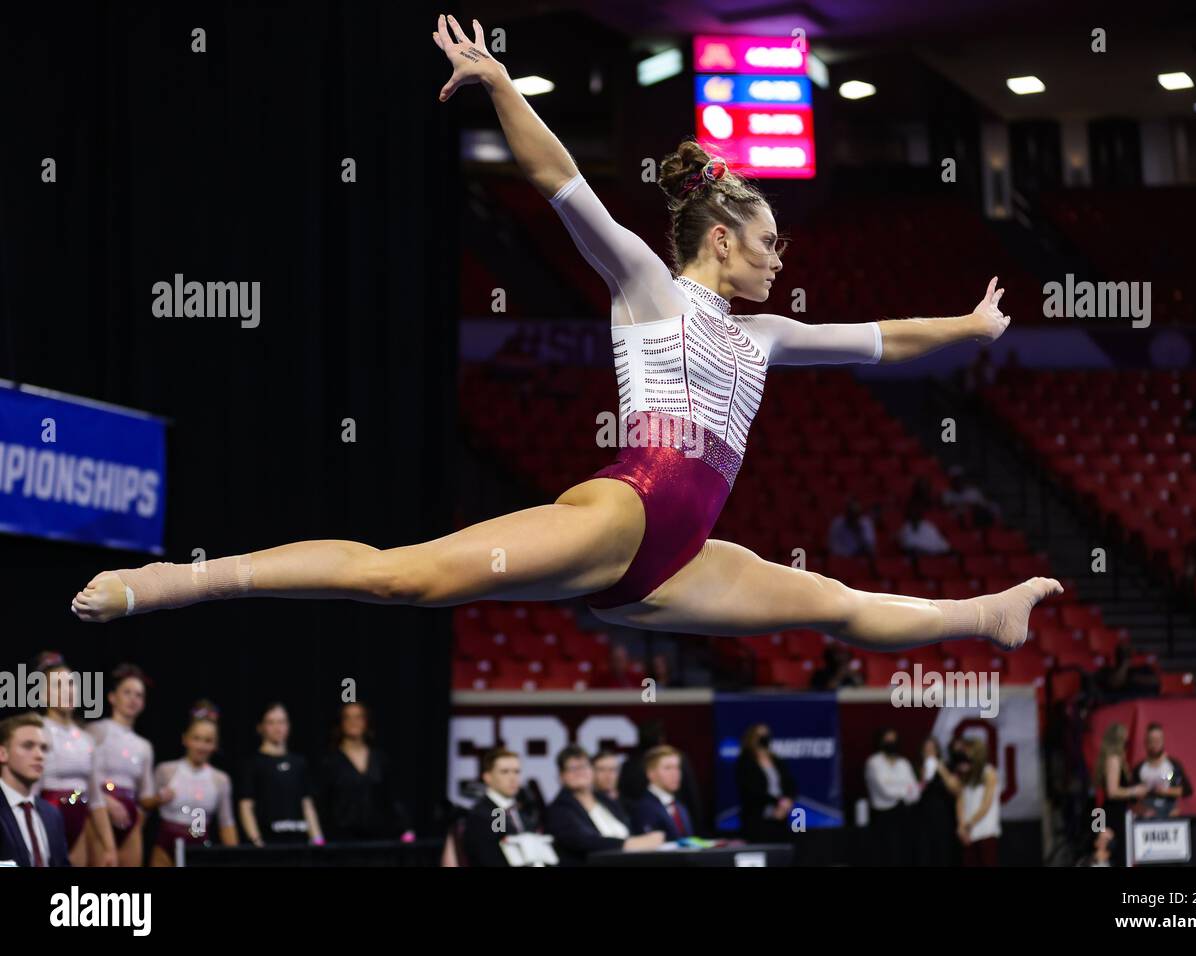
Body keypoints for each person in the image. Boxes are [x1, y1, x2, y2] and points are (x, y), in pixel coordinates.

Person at [71, 13, 1062, 673]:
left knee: (834, 604)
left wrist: (969, 326)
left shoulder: (765, 334)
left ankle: (988, 612)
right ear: (721, 238)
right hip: (627, 510)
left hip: (677, 556)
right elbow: (558, 183)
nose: (777, 259)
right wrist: (501, 84)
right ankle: (178, 580)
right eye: (767, 242)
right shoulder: (646, 287)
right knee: (401, 574)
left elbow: (883, 340)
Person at [35, 650, 107, 867]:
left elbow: (96, 798)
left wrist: (109, 846)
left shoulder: (86, 739)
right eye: (58, 685)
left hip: (78, 824)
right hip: (43, 821)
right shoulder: (36, 730)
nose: (67, 691)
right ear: (43, 694)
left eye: (71, 684)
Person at [150, 701, 239, 865]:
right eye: (196, 738)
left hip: (200, 849)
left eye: (208, 740)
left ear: (215, 745)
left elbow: (226, 823)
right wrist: (157, 799)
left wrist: (235, 859)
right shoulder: (166, 770)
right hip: (165, 845)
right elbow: (145, 806)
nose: (201, 746)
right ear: (185, 739)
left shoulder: (220, 779)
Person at [88, 664, 159, 867]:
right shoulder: (96, 731)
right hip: (99, 812)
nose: (133, 699)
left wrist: (140, 817)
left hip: (130, 820)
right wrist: (106, 802)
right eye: (127, 692)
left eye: (139, 695)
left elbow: (145, 795)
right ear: (112, 697)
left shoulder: (144, 746)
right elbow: (85, 778)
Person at [545, 746, 664, 865]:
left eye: (584, 766)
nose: (580, 772)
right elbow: (584, 841)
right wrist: (630, 844)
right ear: (561, 776)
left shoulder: (605, 800)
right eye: (572, 768)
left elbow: (628, 829)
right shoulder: (559, 809)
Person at [315, 703, 414, 842]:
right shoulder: (330, 762)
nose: (353, 722)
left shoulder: (380, 759)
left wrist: (406, 829)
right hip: (341, 841)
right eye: (348, 718)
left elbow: (393, 798)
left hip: (378, 839)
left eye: (358, 717)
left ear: (366, 722)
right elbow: (321, 803)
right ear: (341, 723)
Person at [238, 703, 323, 846]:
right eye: (271, 722)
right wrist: (256, 841)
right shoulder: (253, 763)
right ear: (260, 727)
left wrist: (318, 840)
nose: (277, 728)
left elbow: (307, 804)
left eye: (282, 722)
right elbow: (246, 805)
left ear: (288, 725)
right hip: (269, 842)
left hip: (299, 841)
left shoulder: (299, 763)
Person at [0, 714, 70, 867]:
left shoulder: (52, 814)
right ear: (3, 754)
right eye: (28, 746)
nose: (39, 755)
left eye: (43, 748)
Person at [462, 747, 540, 866]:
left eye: (516, 771)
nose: (513, 778)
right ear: (487, 777)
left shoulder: (520, 813)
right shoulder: (483, 815)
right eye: (504, 771)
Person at [1095, 722, 1149, 865]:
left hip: (1114, 812)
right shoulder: (1113, 759)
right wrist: (1134, 791)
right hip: (1114, 814)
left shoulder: (1111, 759)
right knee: (1117, 854)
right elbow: (1113, 791)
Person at [865, 727, 920, 865]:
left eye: (894, 739)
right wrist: (904, 790)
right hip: (882, 816)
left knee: (904, 853)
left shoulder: (904, 763)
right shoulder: (874, 762)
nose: (891, 742)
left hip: (903, 814)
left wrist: (902, 790)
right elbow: (885, 791)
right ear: (881, 741)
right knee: (886, 855)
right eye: (888, 738)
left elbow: (915, 791)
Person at [736, 724, 798, 842]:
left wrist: (786, 803)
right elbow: (751, 791)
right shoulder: (745, 762)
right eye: (760, 735)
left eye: (766, 735)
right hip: (756, 818)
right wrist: (778, 802)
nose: (764, 738)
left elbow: (790, 784)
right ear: (752, 738)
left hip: (780, 816)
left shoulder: (776, 760)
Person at [915, 737, 963, 867]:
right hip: (923, 817)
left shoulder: (946, 766)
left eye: (932, 748)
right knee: (926, 852)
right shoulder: (918, 767)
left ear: (937, 751)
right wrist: (923, 776)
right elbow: (914, 792)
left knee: (943, 851)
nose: (929, 751)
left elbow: (956, 789)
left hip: (944, 816)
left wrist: (940, 768)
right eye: (926, 748)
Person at [1132, 723, 1193, 819]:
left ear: (1163, 741)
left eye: (1158, 740)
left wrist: (1166, 791)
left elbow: (1186, 789)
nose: (1155, 744)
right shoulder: (1139, 768)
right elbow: (1131, 798)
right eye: (1152, 741)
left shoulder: (1172, 766)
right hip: (1147, 816)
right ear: (1146, 742)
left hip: (1169, 813)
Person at [955, 738, 1000, 866]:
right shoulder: (965, 774)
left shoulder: (989, 772)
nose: (964, 753)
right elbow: (960, 800)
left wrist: (969, 825)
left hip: (985, 831)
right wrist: (961, 826)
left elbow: (986, 805)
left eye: (967, 750)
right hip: (968, 834)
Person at [632, 746, 694, 838]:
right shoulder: (644, 808)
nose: (675, 773)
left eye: (677, 767)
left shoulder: (680, 807)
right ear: (651, 773)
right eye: (668, 768)